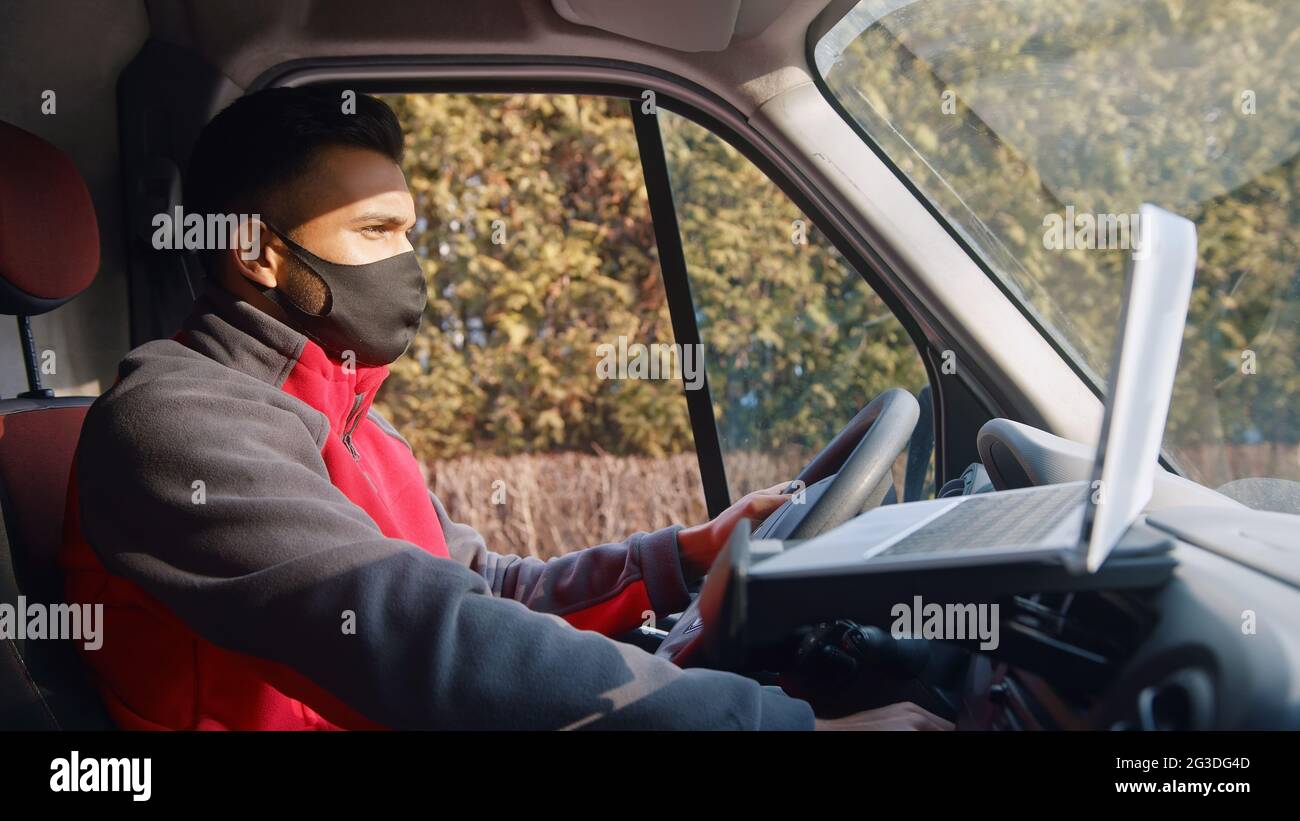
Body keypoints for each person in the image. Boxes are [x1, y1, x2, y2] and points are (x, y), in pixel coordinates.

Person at [59, 87, 951, 731]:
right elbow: (413, 633)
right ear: (257, 254)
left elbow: (488, 592)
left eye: (410, 230)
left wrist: (685, 555)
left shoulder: (358, 425)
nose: (409, 263)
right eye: (376, 232)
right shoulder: (174, 422)